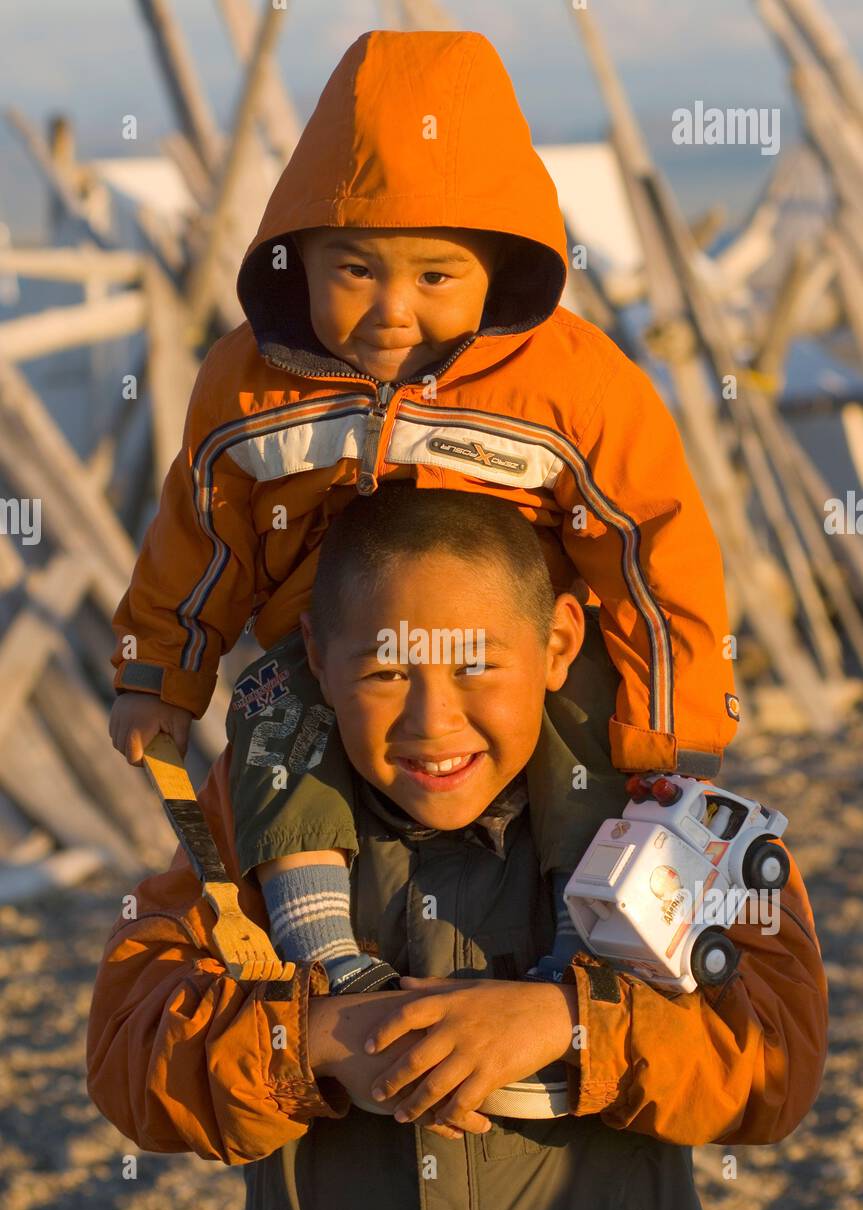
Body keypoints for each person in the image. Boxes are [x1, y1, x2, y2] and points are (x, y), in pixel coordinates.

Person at [108, 28, 740, 994]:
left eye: (435, 276)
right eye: (353, 269)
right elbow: (202, 540)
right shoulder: (248, 386)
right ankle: (322, 944)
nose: (391, 311)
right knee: (275, 722)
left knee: (582, 729)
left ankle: (586, 944)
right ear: (298, 260)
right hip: (336, 636)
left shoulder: (570, 386)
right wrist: (161, 672)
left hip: (517, 632)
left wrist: (674, 721)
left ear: (500, 266)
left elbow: (650, 547)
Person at [88, 484, 828, 1210]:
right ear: (317, 659)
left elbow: (773, 1053)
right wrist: (316, 1041)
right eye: (386, 670)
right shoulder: (258, 814)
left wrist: (570, 1023)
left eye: (475, 664)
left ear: (556, 644)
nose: (432, 722)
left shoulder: (653, 811)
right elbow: (128, 1047)